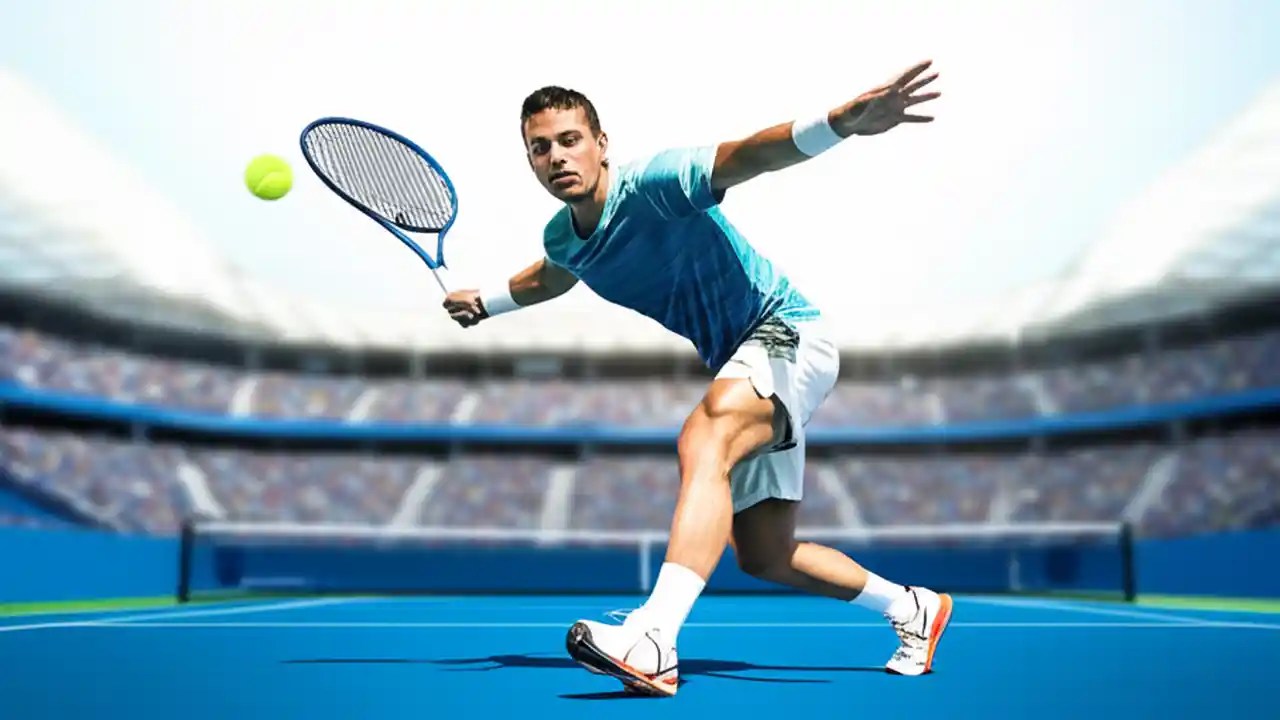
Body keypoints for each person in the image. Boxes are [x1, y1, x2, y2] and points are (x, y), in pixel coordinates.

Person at [443, 60, 951, 697]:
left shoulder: (655, 184)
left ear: (601, 144)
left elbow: (749, 155)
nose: (557, 157)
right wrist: (486, 303)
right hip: (744, 359)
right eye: (540, 148)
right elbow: (549, 277)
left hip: (785, 332)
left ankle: (654, 637)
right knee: (765, 554)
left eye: (570, 140)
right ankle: (912, 607)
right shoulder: (565, 239)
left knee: (704, 436)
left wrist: (839, 124)